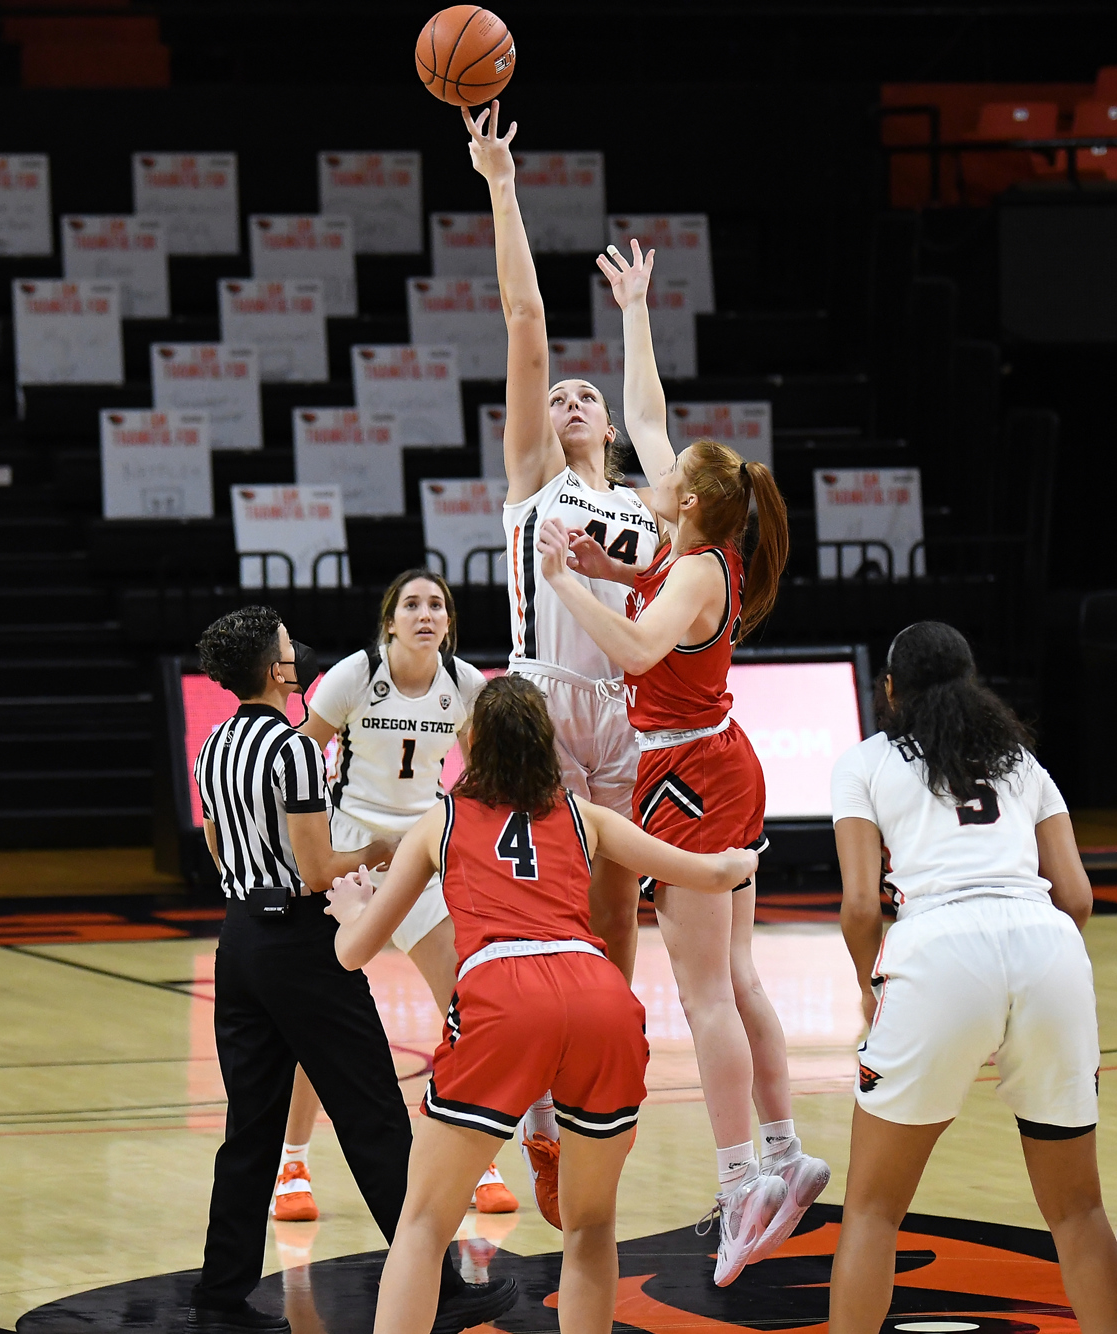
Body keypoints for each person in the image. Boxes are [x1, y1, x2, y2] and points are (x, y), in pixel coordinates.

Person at [533, 239, 822, 1283]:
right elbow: (646, 416)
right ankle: (786, 1152)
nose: (658, 466)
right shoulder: (708, 534)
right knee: (735, 975)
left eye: (672, 476)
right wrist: (636, 310)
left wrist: (566, 580)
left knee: (702, 990)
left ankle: (741, 1174)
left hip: (689, 771)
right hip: (717, 758)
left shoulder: (695, 571)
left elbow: (634, 648)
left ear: (689, 503)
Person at [322, 675, 759, 1334]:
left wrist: (350, 907)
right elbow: (715, 872)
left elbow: (353, 952)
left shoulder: (439, 821)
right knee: (591, 1226)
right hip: (597, 998)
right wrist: (742, 849)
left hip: (504, 998)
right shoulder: (586, 816)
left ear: (471, 746)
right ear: (546, 745)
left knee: (422, 1222)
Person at [184, 606, 515, 1334]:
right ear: (277, 671)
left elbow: (215, 842)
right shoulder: (295, 751)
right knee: (372, 1113)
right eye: (284, 648)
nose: (294, 653)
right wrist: (382, 855)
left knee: (251, 1125)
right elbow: (313, 871)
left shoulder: (213, 744)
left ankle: (221, 1287)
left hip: (238, 938)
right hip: (301, 946)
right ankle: (438, 1287)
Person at [468, 100, 662, 1220]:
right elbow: (526, 320)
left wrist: (634, 321)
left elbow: (650, 406)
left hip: (626, 708)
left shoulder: (640, 501)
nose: (568, 396)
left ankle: (595, 1081)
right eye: (559, 395)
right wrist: (501, 184)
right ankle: (529, 1118)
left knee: (618, 910)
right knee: (547, 914)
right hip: (541, 703)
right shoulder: (535, 475)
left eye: (586, 395)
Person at [826, 622, 1117, 1334]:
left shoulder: (865, 762)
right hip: (1047, 944)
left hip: (936, 950)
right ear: (971, 684)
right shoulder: (1021, 762)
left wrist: (875, 997)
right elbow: (1077, 896)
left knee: (872, 1208)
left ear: (890, 690)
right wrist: (1026, 987)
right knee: (1079, 1209)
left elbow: (860, 907)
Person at [271, 571, 515, 1223]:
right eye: (412, 604)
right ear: (390, 622)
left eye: (437, 604)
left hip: (423, 852)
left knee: (465, 1010)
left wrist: (471, 843)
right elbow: (302, 753)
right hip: (353, 851)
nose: (426, 613)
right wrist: (307, 841)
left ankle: (476, 1159)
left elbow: (485, 776)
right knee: (319, 1021)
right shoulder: (357, 674)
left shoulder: (464, 684)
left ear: (449, 621)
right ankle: (291, 1163)